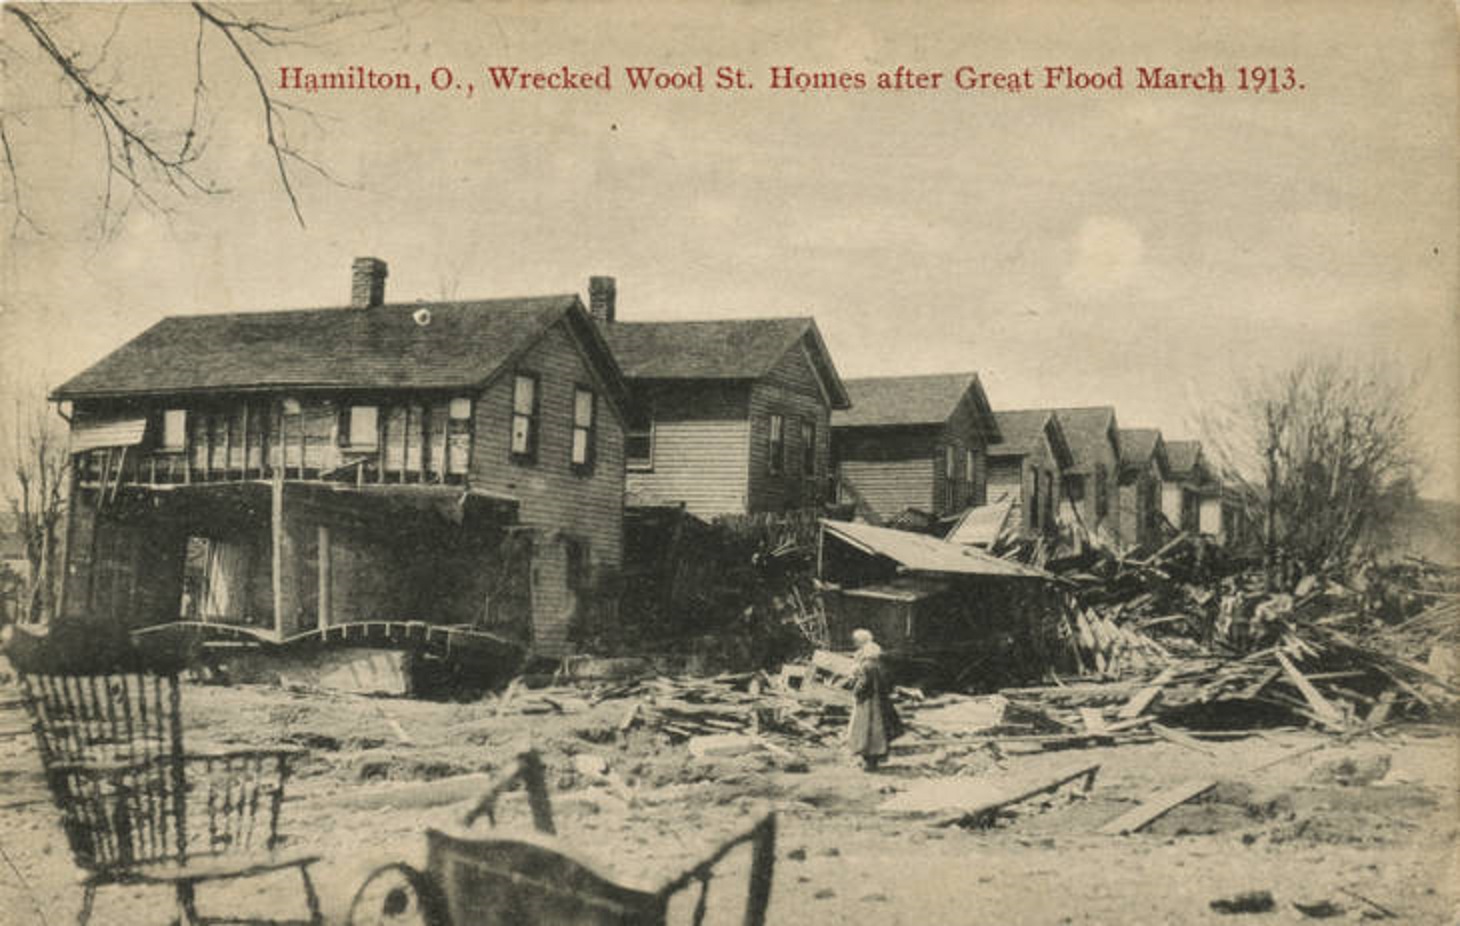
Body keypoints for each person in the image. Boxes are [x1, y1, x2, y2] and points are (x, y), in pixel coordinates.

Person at [847, 629, 903, 771]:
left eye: (856, 642)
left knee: (866, 731)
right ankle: (873, 761)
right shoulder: (878, 663)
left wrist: (855, 691)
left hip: (867, 702)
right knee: (877, 732)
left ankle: (869, 762)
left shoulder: (866, 665)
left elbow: (863, 684)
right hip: (879, 701)